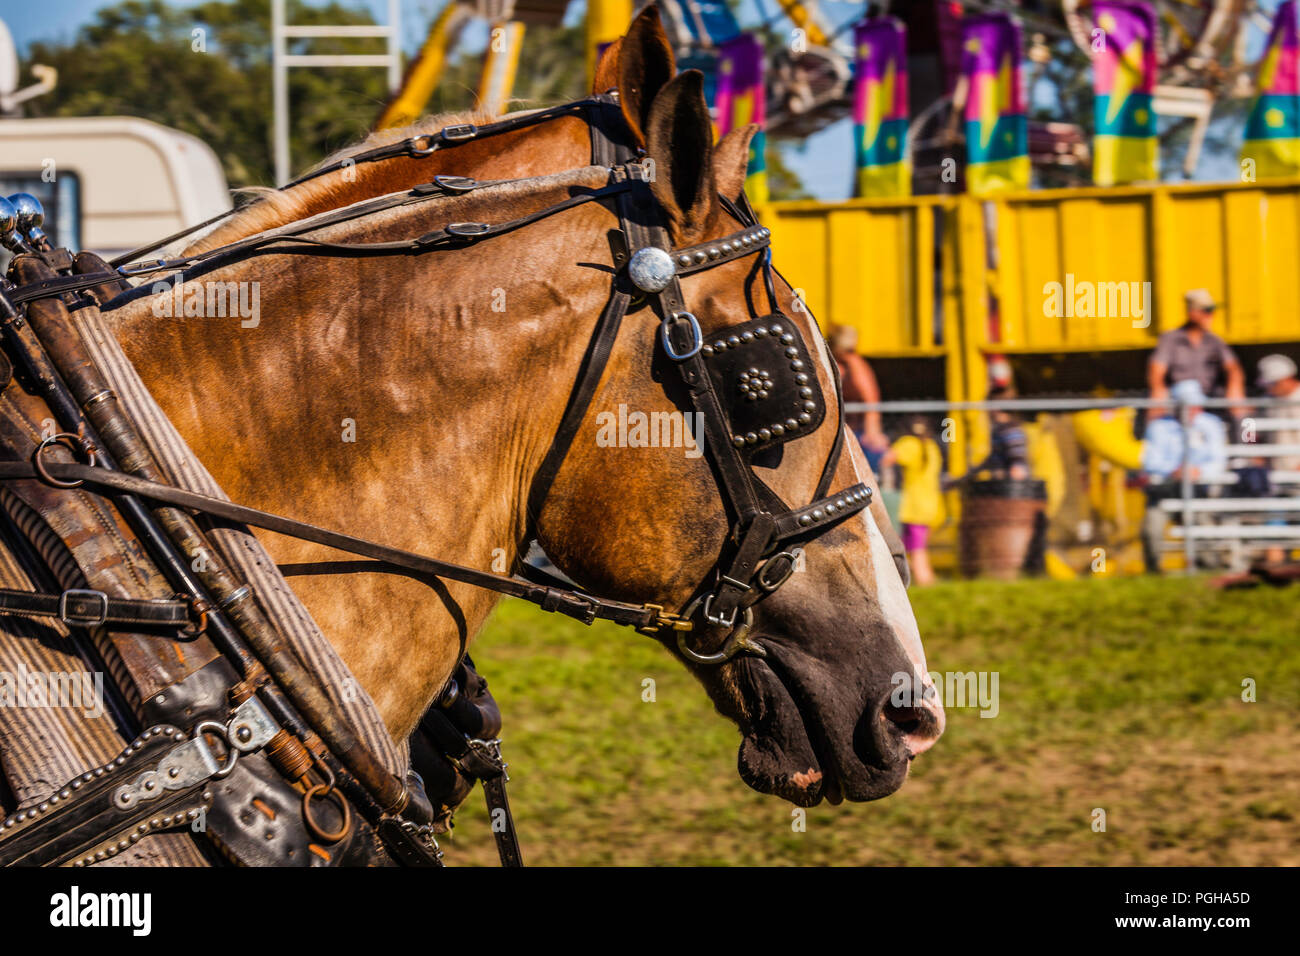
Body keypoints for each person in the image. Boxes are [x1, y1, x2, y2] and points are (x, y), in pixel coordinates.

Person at [1140, 378, 1230, 572]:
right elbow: (1150, 463)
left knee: (1204, 524)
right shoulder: (1158, 427)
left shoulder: (1211, 425)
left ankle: (1209, 569)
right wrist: (1175, 471)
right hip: (1166, 489)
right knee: (1151, 528)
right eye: (1186, 405)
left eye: (1195, 405)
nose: (1192, 410)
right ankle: (1153, 572)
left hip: (1200, 488)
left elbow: (1219, 461)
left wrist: (1199, 471)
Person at [1147, 289, 1245, 416]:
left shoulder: (1214, 340)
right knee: (1188, 389)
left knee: (1240, 408)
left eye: (1212, 311)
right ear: (1192, 313)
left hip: (1208, 396)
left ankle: (1240, 435)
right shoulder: (1170, 339)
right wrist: (1158, 390)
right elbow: (1156, 369)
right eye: (1207, 311)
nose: (1211, 316)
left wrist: (1234, 387)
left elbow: (1233, 367)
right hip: (1179, 396)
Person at [880, 416, 945, 585]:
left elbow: (887, 459)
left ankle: (926, 580)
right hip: (932, 502)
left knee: (917, 548)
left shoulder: (908, 443)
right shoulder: (931, 445)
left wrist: (886, 481)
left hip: (913, 503)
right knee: (913, 545)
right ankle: (921, 577)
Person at [1256, 354, 1300, 563]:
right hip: (1277, 479)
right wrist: (1253, 448)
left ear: (1285, 379)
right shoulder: (1267, 403)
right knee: (1273, 527)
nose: (1269, 388)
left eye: (1272, 383)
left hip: (1296, 478)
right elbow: (1251, 429)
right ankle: (1275, 578)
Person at [828, 324, 889, 471]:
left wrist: (872, 430)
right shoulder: (834, 363)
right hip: (840, 431)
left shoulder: (854, 363)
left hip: (858, 433)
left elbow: (870, 398)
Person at [973, 385, 1029, 480]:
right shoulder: (999, 431)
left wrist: (1000, 476)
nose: (986, 411)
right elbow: (991, 461)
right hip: (1000, 488)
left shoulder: (1011, 431)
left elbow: (1018, 468)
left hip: (1008, 490)